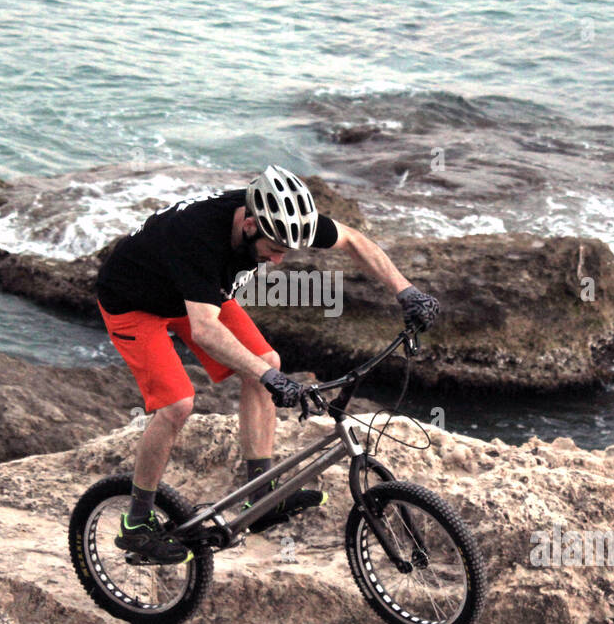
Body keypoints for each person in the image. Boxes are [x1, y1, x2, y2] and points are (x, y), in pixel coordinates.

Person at [95, 165, 440, 564]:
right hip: (134, 303)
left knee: (266, 361)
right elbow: (205, 330)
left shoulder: (281, 217)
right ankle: (136, 525)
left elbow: (353, 240)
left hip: (195, 295)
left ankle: (261, 495)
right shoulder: (197, 237)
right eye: (273, 247)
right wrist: (269, 378)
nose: (277, 260)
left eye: (286, 250)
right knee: (177, 403)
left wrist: (406, 291)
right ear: (250, 225)